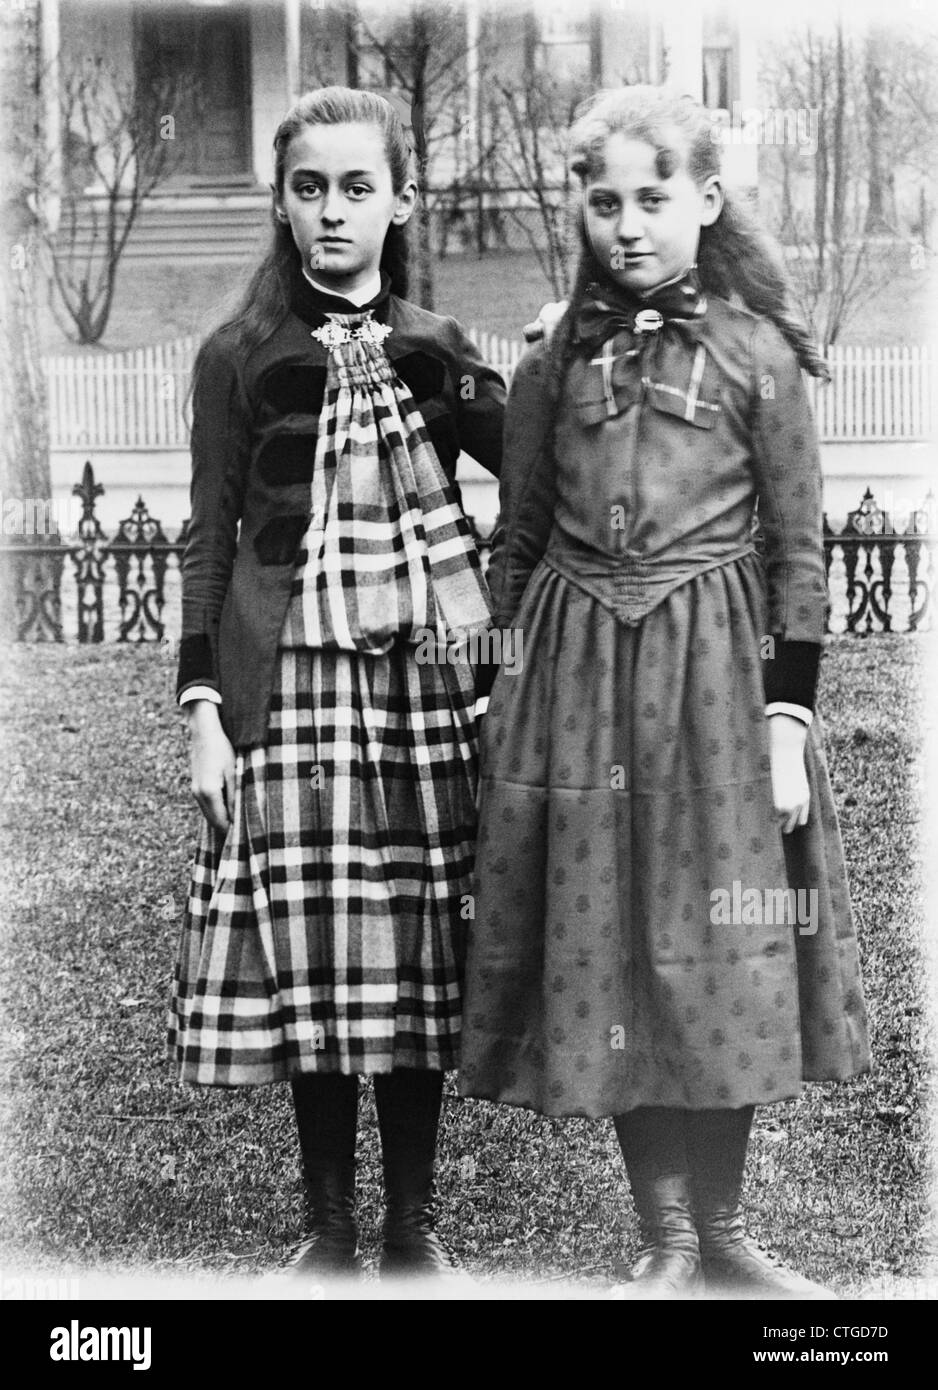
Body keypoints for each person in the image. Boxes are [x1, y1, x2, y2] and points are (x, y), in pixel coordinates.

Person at [458, 86, 870, 1299]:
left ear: (704, 198)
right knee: (614, 947)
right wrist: (494, 682)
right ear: (579, 212)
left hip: (716, 694)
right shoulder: (548, 361)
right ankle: (669, 1236)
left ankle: (729, 1232)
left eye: (651, 198)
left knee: (720, 947)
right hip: (577, 684)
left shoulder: (758, 357)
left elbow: (798, 555)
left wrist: (784, 724)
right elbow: (517, 541)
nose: (626, 226)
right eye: (602, 203)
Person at [169, 86, 505, 1283]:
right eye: (309, 188)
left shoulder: (439, 346)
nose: (332, 212)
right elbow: (208, 536)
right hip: (292, 685)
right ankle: (327, 1232)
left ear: (397, 201)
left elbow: (529, 468)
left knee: (413, 949)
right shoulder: (237, 353)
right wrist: (205, 712)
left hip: (426, 683)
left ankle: (411, 1235)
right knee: (316, 949)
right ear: (279, 200)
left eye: (358, 188)